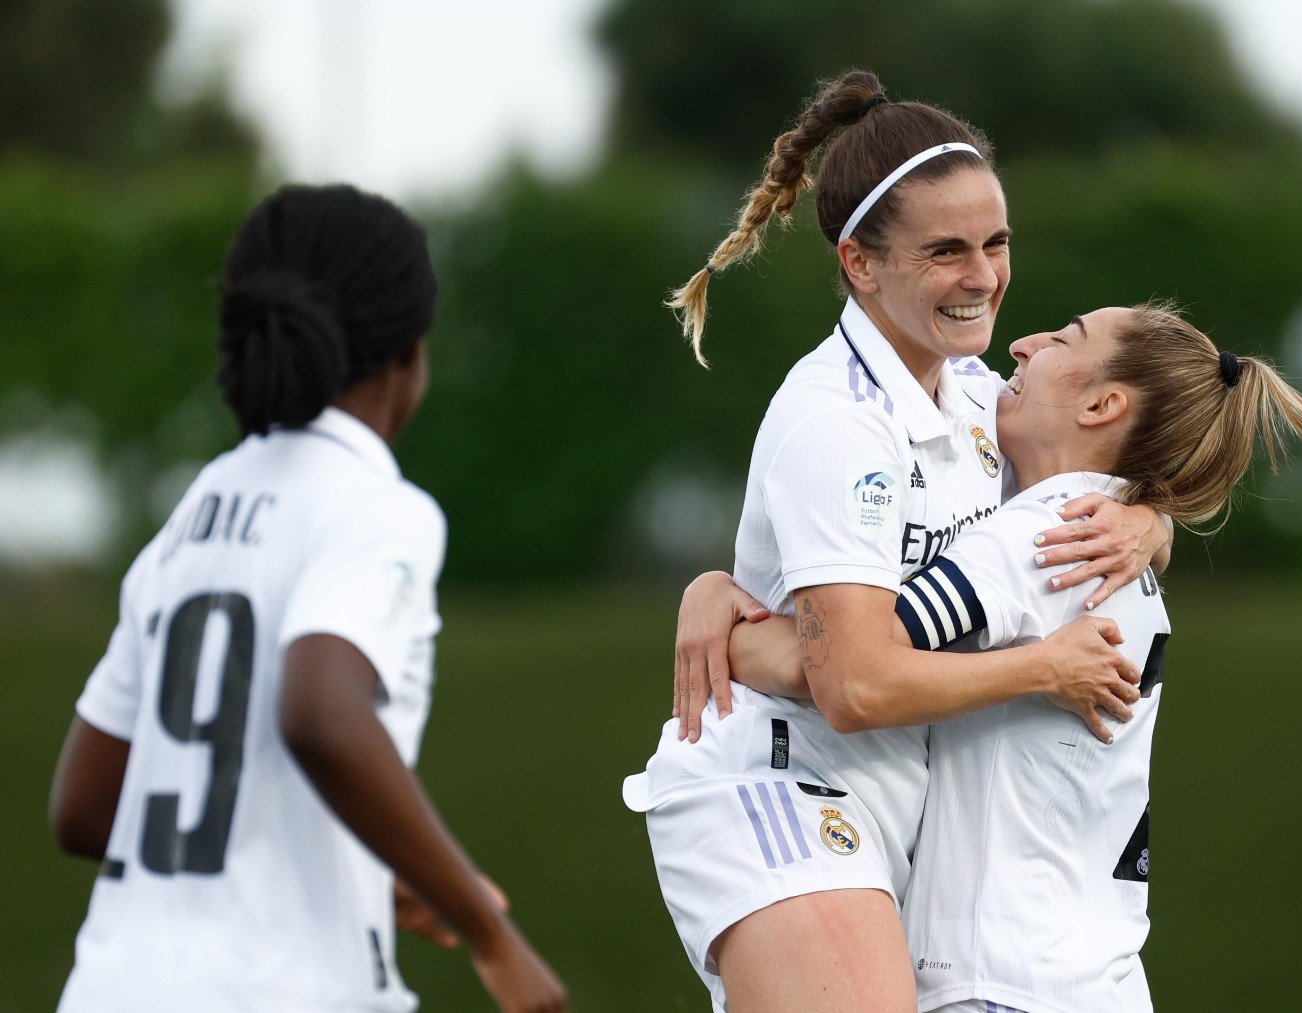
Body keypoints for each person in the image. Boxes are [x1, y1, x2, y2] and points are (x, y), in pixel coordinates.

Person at [626, 70, 1171, 1013]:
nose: (985, 276)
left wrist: (1145, 516)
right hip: (780, 784)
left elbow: (1087, 465)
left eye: (996, 243)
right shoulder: (834, 419)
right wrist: (1047, 667)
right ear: (860, 264)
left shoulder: (974, 398)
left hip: (893, 818)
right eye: (946, 250)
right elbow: (859, 685)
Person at [718, 302, 1302, 1012]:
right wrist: (1155, 519)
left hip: (1003, 982)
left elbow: (848, 666)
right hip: (1098, 981)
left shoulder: (1044, 536)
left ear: (1102, 404)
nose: (1025, 343)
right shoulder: (1107, 536)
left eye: (1064, 337)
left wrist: (724, 622)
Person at [49, 184, 565, 1013]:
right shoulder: (377, 506)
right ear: (409, 352)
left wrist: (350, 859)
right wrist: (490, 934)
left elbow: (83, 807)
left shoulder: (188, 517)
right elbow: (321, 710)